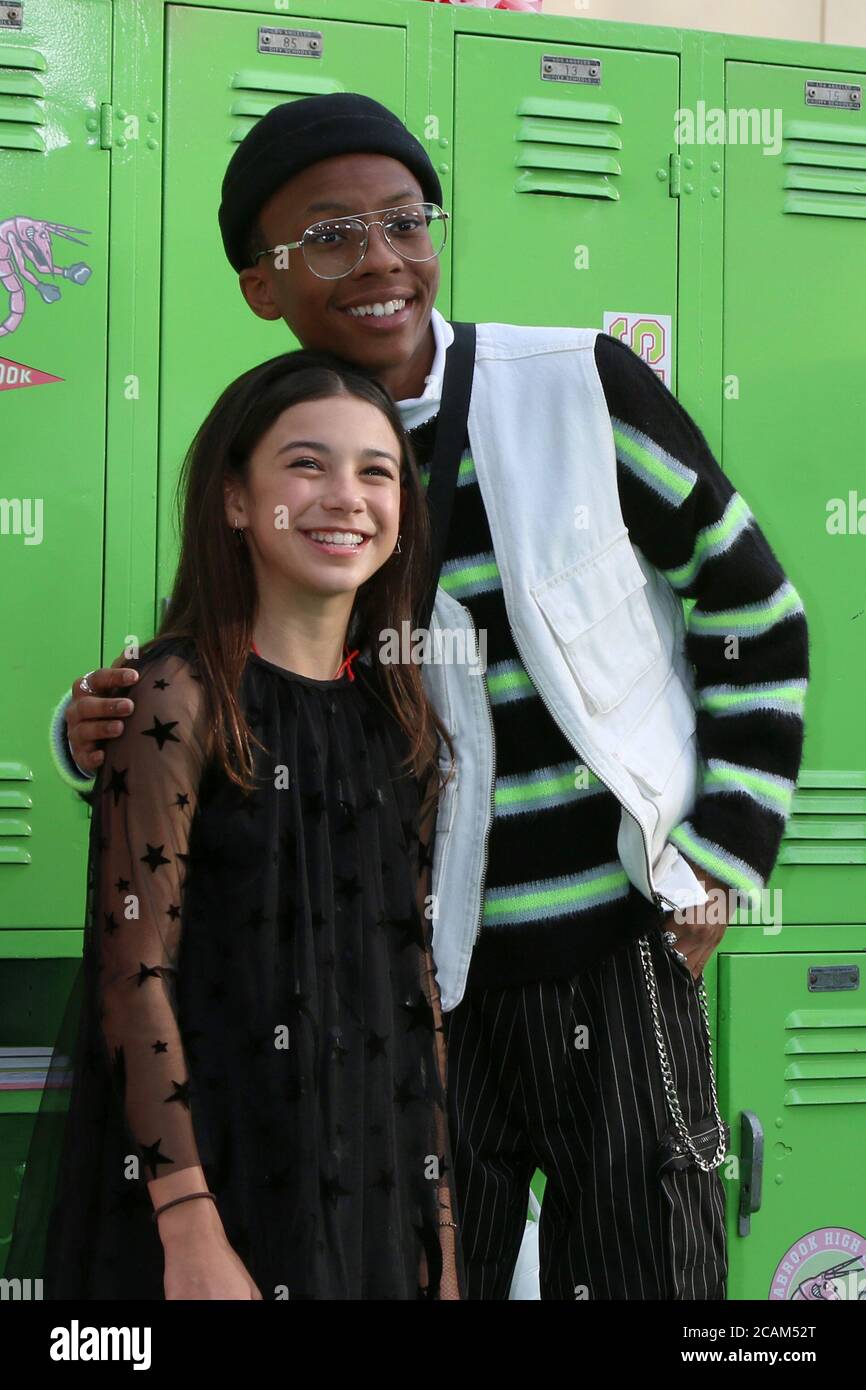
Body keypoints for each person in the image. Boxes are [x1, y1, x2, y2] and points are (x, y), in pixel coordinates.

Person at [48, 94, 809, 1300]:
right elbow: (254, 667)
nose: (379, 261)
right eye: (329, 236)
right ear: (261, 284)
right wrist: (103, 722)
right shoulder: (293, 446)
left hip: (615, 951)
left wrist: (721, 860)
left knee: (654, 1277)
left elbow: (754, 614)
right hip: (414, 984)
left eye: (402, 220)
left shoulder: (578, 386)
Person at [8, 348, 464, 1300]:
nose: (346, 495)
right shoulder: (177, 694)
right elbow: (134, 981)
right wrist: (187, 1224)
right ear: (234, 502)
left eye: (376, 472)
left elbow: (412, 994)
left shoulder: (402, 721)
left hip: (365, 1197)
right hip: (209, 1187)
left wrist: (440, 1247)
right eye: (306, 464)